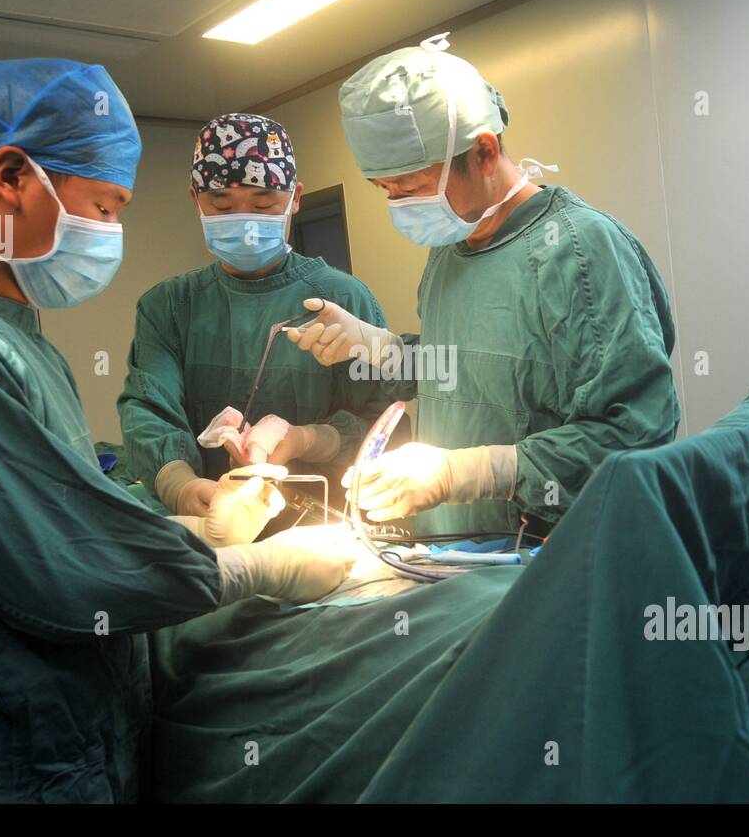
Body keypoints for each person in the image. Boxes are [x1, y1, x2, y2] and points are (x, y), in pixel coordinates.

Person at [0, 59, 354, 803]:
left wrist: (191, 522)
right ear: (11, 175)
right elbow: (58, 565)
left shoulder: (15, 341)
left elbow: (63, 509)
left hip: (56, 742)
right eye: (103, 208)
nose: (110, 233)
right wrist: (250, 566)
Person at [287, 35, 680, 538]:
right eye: (385, 191)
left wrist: (473, 473)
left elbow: (635, 436)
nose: (399, 206)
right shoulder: (449, 249)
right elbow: (468, 377)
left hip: (555, 555)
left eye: (411, 189)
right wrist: (380, 347)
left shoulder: (580, 251)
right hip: (455, 549)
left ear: (485, 153)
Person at [118, 113, 391, 519]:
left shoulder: (343, 298)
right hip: (206, 523)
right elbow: (149, 413)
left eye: (264, 205)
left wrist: (306, 439)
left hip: (325, 527)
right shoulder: (169, 306)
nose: (245, 222)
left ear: (295, 198)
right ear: (196, 199)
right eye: (223, 205)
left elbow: (382, 423)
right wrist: (181, 485)